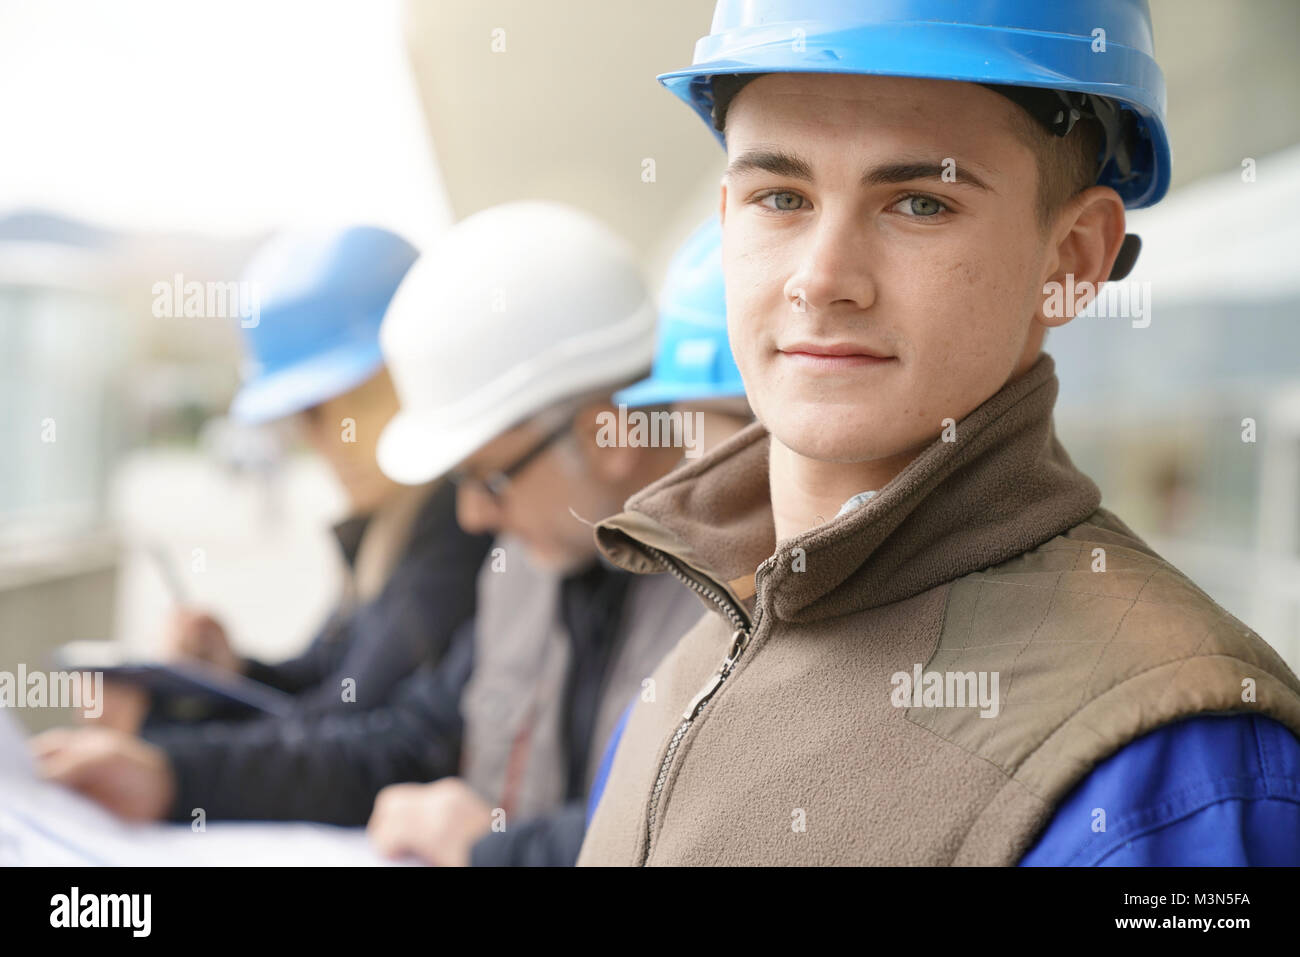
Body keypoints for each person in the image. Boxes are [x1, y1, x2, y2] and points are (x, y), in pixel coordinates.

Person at [579, 0, 1300, 866]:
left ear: (1071, 261)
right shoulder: (696, 657)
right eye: (782, 197)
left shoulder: (1172, 773)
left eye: (919, 203)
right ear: (727, 222)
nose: (823, 278)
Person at [31, 225, 493, 819]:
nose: (329, 440)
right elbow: (336, 683)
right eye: (306, 416)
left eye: (350, 401)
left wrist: (170, 755)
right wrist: (231, 674)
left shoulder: (461, 526)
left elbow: (369, 740)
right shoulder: (395, 521)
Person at [365, 202, 752, 866]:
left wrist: (494, 852)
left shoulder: (740, 589)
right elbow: (412, 733)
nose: (472, 518)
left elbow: (712, 822)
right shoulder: (530, 568)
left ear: (608, 435)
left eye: (489, 477)